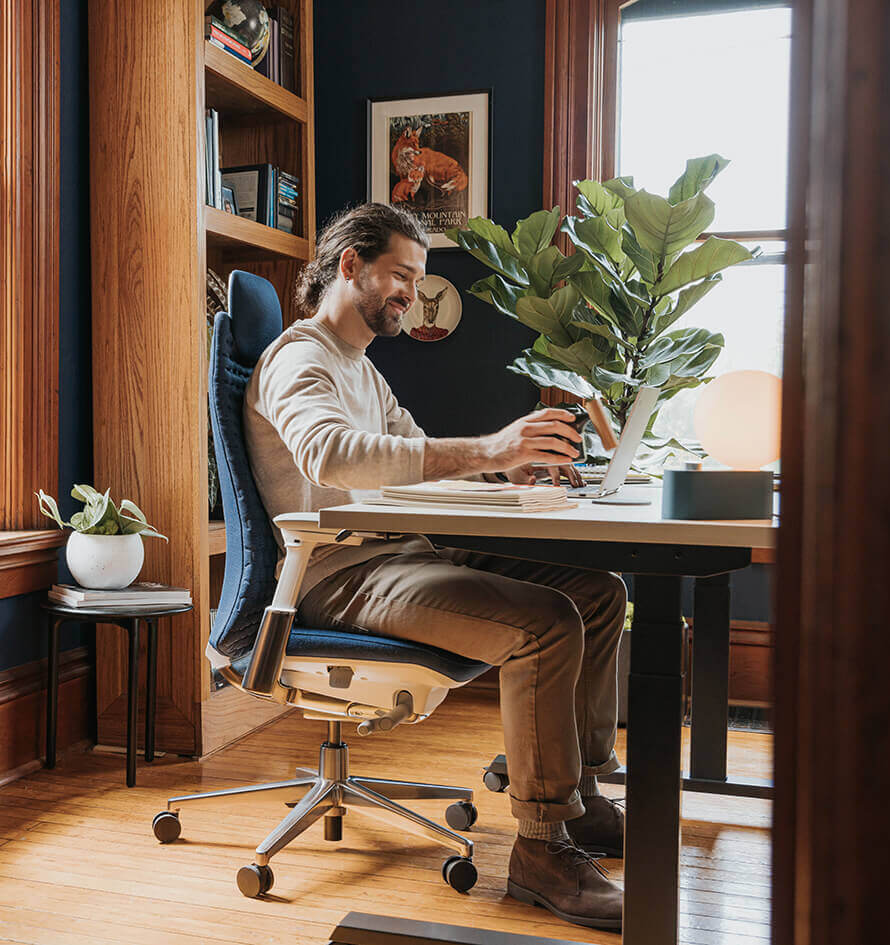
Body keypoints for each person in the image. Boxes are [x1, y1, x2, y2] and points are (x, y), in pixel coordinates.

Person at [244, 202, 626, 932]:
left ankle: (579, 792)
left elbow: (417, 463)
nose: (410, 295)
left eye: (417, 280)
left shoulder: (363, 369)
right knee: (544, 624)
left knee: (597, 592)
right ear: (349, 263)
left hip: (402, 548)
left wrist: (506, 474)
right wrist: (489, 448)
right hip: (339, 573)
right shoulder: (301, 358)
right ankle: (543, 851)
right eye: (400, 275)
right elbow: (329, 455)